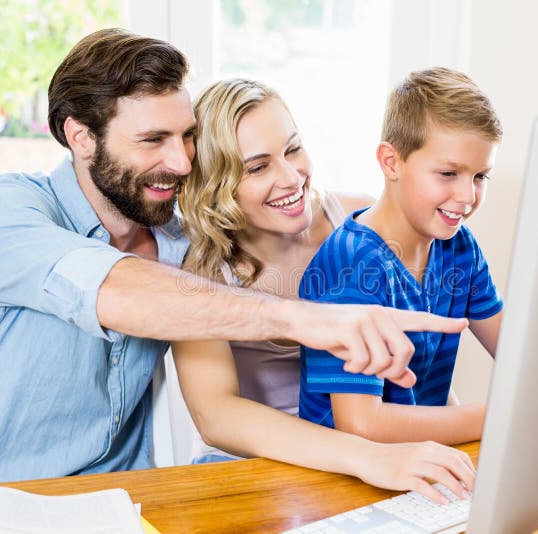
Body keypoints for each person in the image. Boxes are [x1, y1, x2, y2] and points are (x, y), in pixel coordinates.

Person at [0, 30, 468, 488]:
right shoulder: (2, 210)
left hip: (126, 504)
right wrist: (305, 318)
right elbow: (115, 290)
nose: (181, 160)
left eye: (187, 137)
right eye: (153, 139)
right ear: (80, 137)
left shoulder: (179, 237)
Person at [171, 78, 475, 502]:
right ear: (217, 184)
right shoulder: (202, 273)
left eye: (292, 149)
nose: (291, 176)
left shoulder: (356, 218)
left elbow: (418, 365)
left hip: (379, 448)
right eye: (258, 167)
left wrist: (450, 435)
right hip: (265, 466)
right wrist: (363, 456)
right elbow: (216, 415)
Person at [299, 67, 504, 445]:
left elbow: (516, 352)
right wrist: (499, 419)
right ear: (391, 162)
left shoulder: (460, 247)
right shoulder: (351, 266)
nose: (468, 197)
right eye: (448, 173)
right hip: (342, 478)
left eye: (480, 176)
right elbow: (363, 424)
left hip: (421, 463)